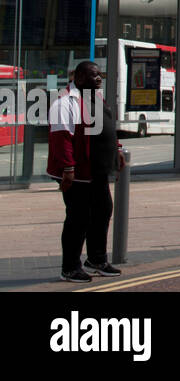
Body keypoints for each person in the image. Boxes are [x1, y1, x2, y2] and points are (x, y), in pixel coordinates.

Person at [47, 61, 124, 282]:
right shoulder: (64, 102)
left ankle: (96, 260)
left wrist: (116, 150)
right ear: (79, 77)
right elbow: (61, 137)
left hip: (97, 170)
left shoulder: (96, 97)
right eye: (94, 75)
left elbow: (107, 127)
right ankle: (70, 267)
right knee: (78, 218)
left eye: (100, 75)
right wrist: (68, 168)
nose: (99, 78)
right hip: (77, 173)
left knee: (102, 211)